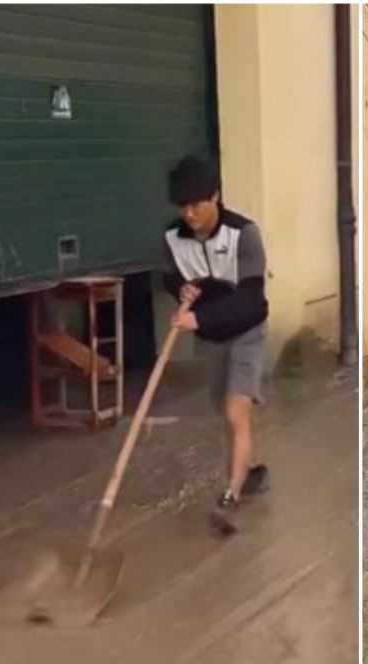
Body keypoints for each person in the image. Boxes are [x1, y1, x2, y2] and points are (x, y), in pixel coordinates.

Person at [162, 156, 270, 532]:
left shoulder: (244, 234)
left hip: (246, 332)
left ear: (216, 197)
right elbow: (169, 274)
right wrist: (180, 287)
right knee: (228, 414)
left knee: (234, 413)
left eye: (197, 205)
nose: (189, 214)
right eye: (183, 206)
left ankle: (230, 496)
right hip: (210, 341)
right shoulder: (173, 238)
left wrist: (199, 318)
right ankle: (251, 469)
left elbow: (251, 300)